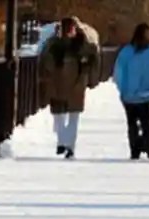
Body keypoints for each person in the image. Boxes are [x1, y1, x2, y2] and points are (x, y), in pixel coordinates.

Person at [38, 16, 101, 158]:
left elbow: (93, 60)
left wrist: (90, 78)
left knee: (70, 116)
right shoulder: (77, 45)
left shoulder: (58, 44)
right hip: (65, 85)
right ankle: (64, 143)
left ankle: (68, 145)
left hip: (72, 85)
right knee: (61, 116)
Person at [113, 23, 149, 160]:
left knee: (132, 124)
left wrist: (122, 89)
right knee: (146, 124)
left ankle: (135, 149)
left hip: (130, 96)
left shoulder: (126, 52)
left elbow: (119, 72)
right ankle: (147, 147)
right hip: (145, 96)